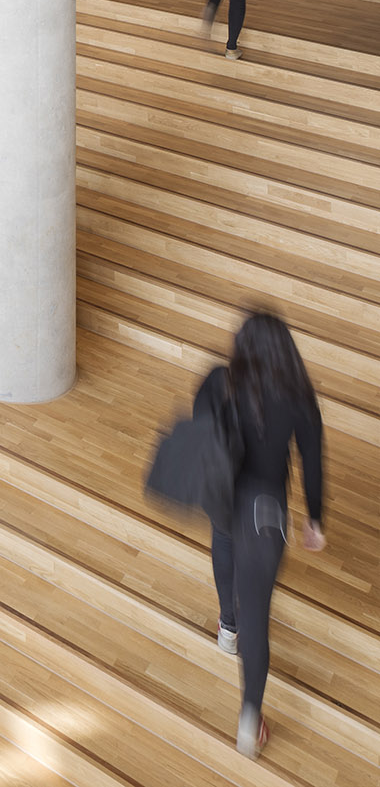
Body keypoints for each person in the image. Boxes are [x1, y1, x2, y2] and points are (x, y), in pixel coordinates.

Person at [194, 312, 324, 757]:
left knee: (223, 541)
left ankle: (226, 628)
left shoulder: (218, 381)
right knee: (259, 617)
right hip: (265, 511)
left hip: (224, 497)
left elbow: (201, 435)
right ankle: (250, 717)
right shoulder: (299, 397)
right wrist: (315, 519)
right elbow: (313, 461)